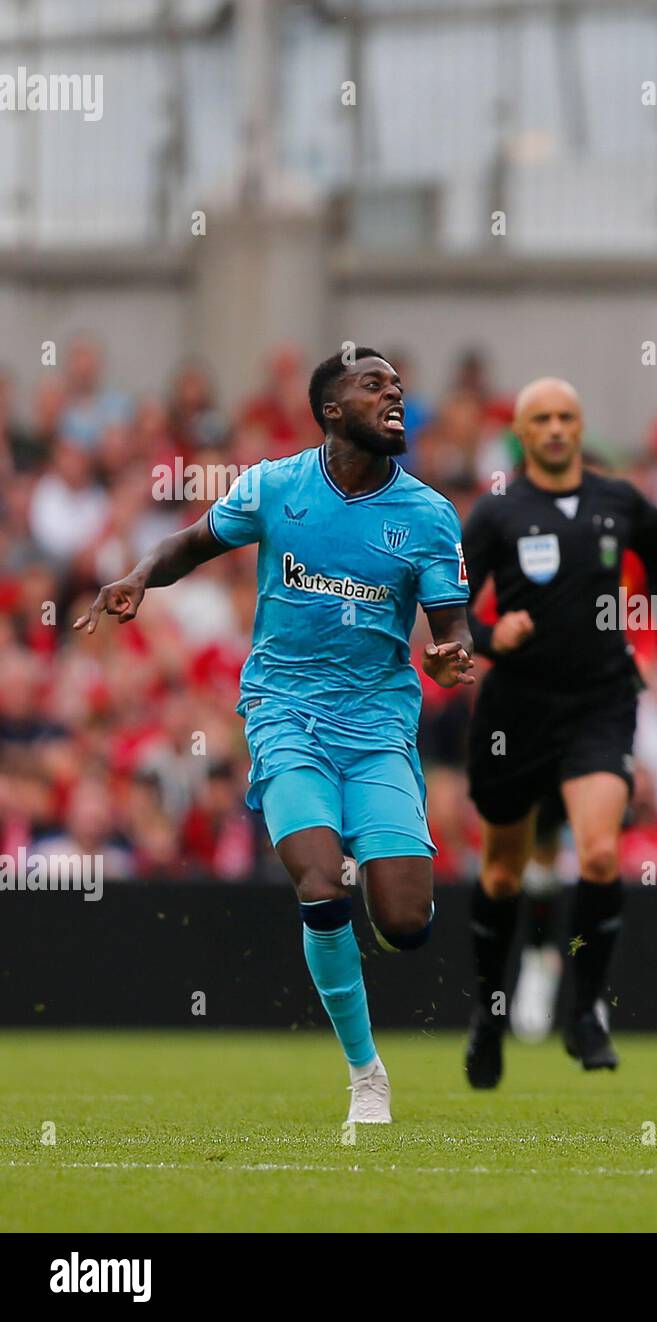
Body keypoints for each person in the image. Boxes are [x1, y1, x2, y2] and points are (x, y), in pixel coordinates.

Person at [75, 348, 474, 1125]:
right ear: (331, 409)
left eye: (397, 385)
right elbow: (188, 545)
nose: (395, 394)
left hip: (380, 724)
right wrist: (136, 576)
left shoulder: (427, 514)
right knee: (320, 885)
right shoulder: (275, 486)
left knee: (404, 925)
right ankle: (366, 1076)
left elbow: (453, 625)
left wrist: (452, 654)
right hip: (285, 711)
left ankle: (375, 852)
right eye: (375, 385)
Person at [460, 377, 657, 1087]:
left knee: (597, 855)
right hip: (515, 711)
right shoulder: (497, 512)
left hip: (600, 702)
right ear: (522, 433)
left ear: (580, 424)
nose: (557, 429)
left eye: (567, 416)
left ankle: (587, 1009)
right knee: (502, 872)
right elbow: (451, 610)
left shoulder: (620, 502)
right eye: (542, 419)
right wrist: (491, 634)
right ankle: (491, 1012)